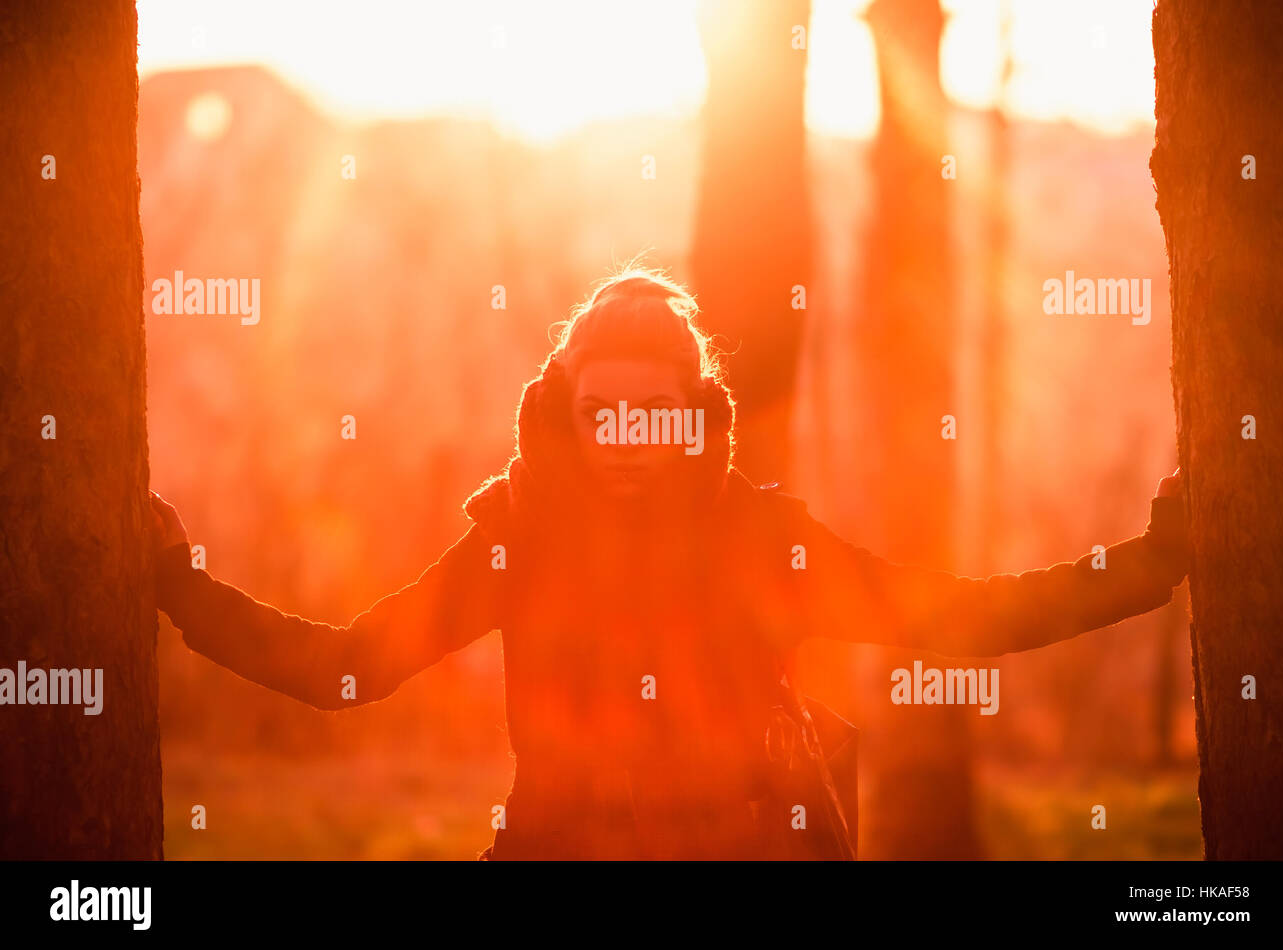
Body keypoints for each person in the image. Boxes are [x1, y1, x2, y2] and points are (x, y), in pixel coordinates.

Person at [150, 266, 1189, 860]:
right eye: (600, 413)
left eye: (652, 412)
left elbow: (953, 615)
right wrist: (178, 585)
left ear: (692, 416)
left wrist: (1147, 565)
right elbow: (348, 666)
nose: (625, 437)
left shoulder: (759, 537)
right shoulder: (518, 538)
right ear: (570, 413)